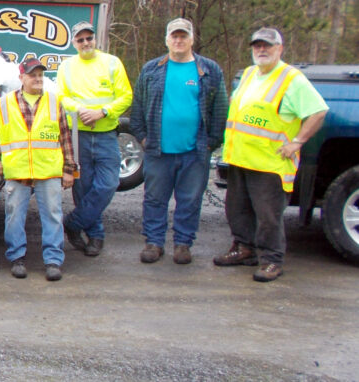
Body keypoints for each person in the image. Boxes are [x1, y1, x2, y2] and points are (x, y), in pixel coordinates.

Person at [214, 28, 328, 282]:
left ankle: (272, 260)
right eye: (257, 46)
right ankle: (244, 249)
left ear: (280, 48)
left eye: (267, 46)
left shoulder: (291, 79)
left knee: (269, 216)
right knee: (237, 210)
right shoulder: (249, 74)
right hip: (240, 159)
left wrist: (298, 142)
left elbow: (318, 111)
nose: (261, 50)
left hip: (270, 163)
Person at [129, 18, 228, 265]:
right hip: (158, 150)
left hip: (195, 151)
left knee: (190, 200)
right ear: (167, 39)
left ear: (192, 39)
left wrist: (211, 143)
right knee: (154, 199)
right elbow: (138, 106)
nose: (179, 40)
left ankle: (183, 244)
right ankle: (154, 242)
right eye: (174, 36)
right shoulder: (152, 69)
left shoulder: (209, 70)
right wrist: (142, 137)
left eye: (183, 36)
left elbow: (220, 109)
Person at [0, 58, 75, 281]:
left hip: (49, 170)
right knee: (14, 215)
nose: (37, 79)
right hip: (18, 170)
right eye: (32, 75)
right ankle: (17, 258)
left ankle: (53, 261)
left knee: (53, 216)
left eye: (40, 75)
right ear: (21, 78)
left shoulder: (55, 102)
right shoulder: (5, 103)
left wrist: (69, 169)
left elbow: (65, 137)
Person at [57, 21, 133, 257]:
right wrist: (79, 110)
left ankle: (73, 223)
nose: (85, 43)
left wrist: (103, 112)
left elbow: (126, 96)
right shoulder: (67, 67)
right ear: (74, 43)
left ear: (94, 39)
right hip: (77, 135)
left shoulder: (112, 63)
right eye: (80, 40)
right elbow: (60, 96)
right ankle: (96, 236)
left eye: (89, 38)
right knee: (83, 188)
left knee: (109, 183)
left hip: (106, 135)